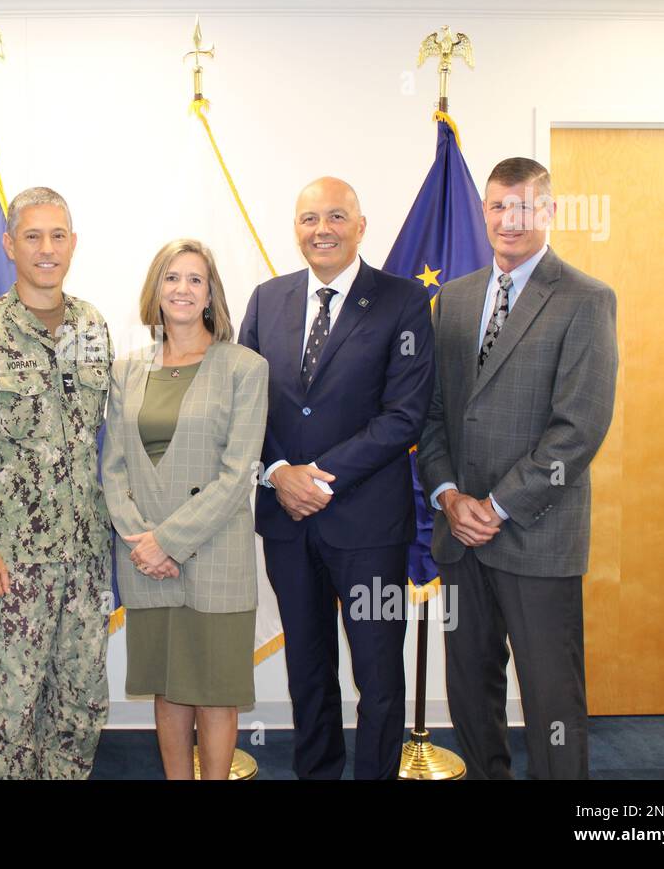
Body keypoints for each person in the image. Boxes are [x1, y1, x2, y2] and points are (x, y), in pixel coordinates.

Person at [417, 157, 617, 779]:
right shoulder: (453, 298)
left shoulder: (585, 299)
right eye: (500, 206)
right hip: (460, 536)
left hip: (537, 534)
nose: (511, 219)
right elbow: (434, 415)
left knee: (552, 698)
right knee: (471, 693)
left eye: (525, 206)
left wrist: (496, 506)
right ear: (485, 212)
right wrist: (451, 498)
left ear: (550, 211)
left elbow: (578, 428)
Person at [238, 177, 434, 780]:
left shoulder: (402, 301)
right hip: (287, 523)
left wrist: (316, 478)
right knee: (308, 667)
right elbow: (243, 403)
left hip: (367, 523)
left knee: (377, 673)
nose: (321, 229)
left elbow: (405, 413)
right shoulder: (267, 299)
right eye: (308, 219)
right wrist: (276, 472)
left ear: (360, 225)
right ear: (295, 228)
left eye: (335, 217)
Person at [0, 186, 114, 779]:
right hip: (12, 564)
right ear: (10, 244)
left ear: (73, 244)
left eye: (58, 235)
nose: (46, 248)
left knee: (81, 709)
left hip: (84, 562)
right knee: (14, 713)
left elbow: (99, 438)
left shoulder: (93, 326)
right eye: (32, 236)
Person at [101, 239, 267, 780]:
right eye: (172, 277)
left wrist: (168, 542)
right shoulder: (126, 369)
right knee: (168, 688)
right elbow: (113, 468)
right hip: (143, 557)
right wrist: (141, 541)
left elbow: (238, 473)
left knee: (215, 692)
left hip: (215, 555)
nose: (182, 289)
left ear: (210, 294)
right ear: (157, 289)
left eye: (195, 279)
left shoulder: (245, 367)